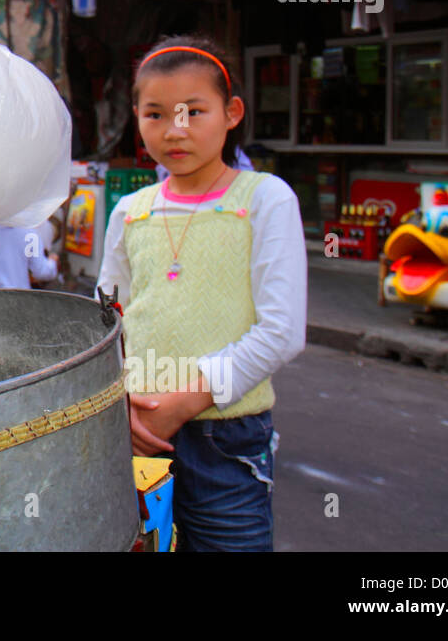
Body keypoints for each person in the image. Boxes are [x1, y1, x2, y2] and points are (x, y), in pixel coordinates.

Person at [97, 35, 305, 552]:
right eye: (156, 114)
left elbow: (281, 333)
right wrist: (118, 407)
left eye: (194, 111)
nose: (175, 130)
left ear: (232, 112)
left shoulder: (263, 200)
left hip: (226, 439)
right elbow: (106, 323)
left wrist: (184, 402)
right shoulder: (131, 211)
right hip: (136, 431)